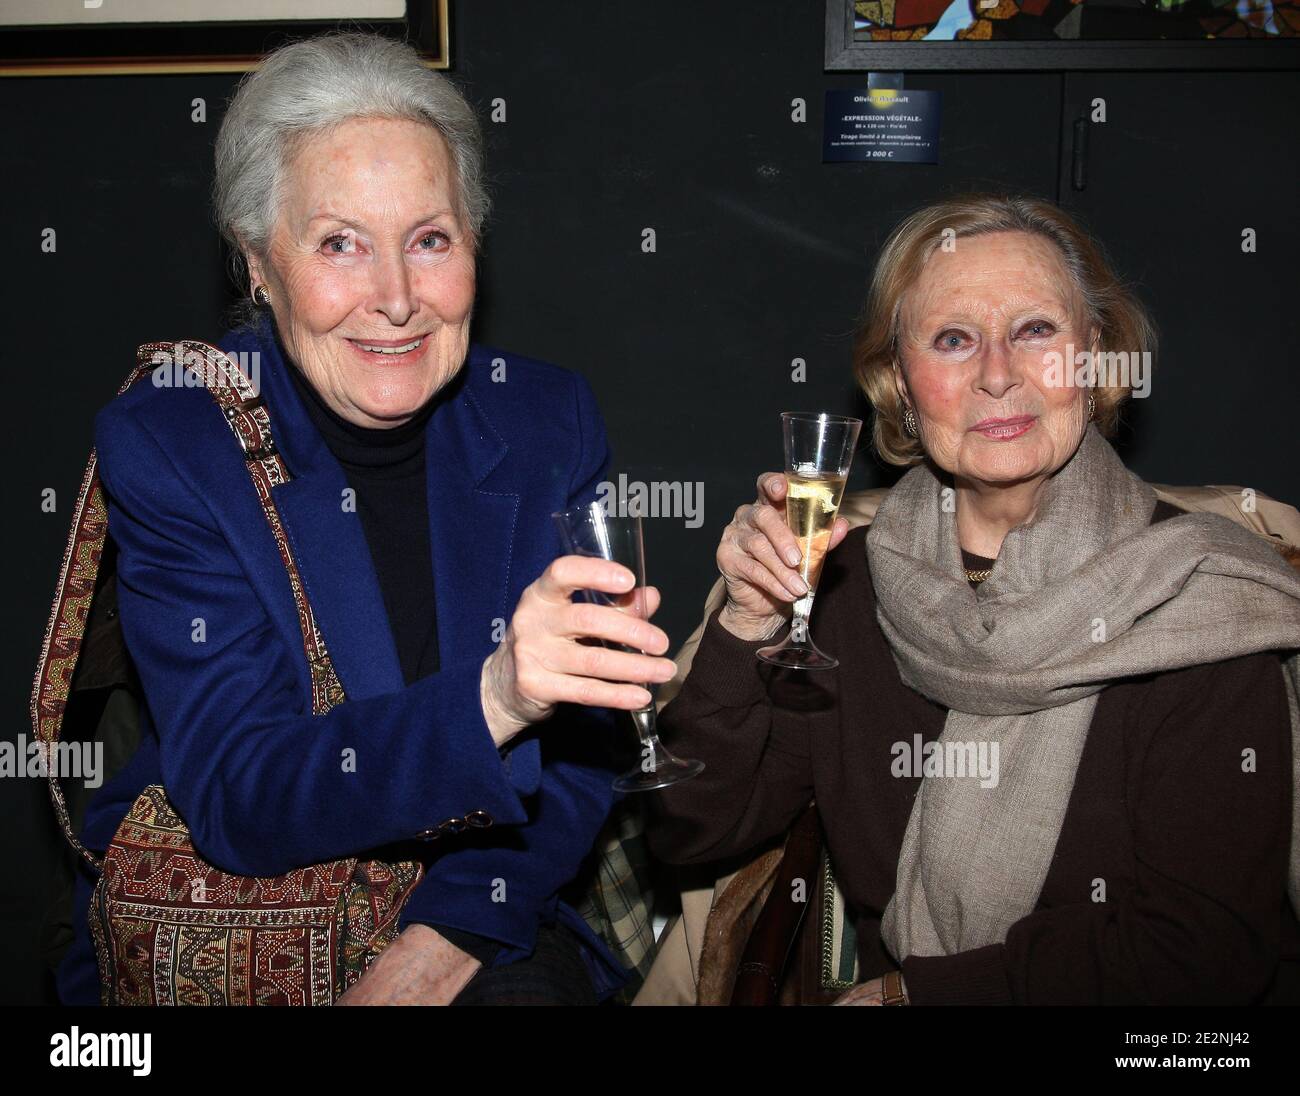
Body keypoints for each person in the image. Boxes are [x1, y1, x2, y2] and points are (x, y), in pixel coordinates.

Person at [55, 31, 677, 1007]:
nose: (394, 299)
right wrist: (494, 698)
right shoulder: (178, 442)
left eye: (429, 239)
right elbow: (237, 793)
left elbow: (588, 752)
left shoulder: (543, 419)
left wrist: (447, 936)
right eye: (339, 242)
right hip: (238, 914)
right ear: (258, 263)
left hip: (479, 892)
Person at [645, 193, 1300, 1005]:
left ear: (1095, 357)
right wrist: (747, 623)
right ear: (900, 385)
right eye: (954, 339)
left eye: (1035, 331)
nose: (998, 374)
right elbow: (693, 826)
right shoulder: (848, 585)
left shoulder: (1201, 596)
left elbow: (1205, 954)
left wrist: (915, 997)